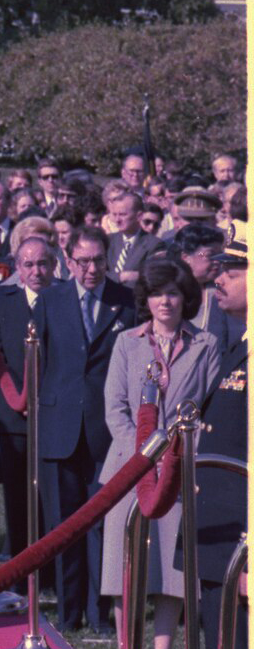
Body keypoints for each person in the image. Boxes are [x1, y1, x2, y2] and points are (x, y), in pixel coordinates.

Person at [100, 257, 219, 649]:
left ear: (186, 297)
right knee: (124, 569)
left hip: (179, 471)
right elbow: (115, 407)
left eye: (171, 293)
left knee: (172, 570)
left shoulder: (207, 345)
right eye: (155, 294)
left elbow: (208, 407)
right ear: (145, 299)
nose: (164, 302)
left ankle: (162, 645)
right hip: (127, 469)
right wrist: (142, 453)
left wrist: (173, 454)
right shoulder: (126, 342)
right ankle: (126, 642)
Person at [33, 225, 138, 632]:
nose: (91, 268)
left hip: (105, 429)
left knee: (102, 524)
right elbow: (37, 358)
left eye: (98, 260)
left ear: (107, 259)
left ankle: (100, 613)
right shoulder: (50, 299)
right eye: (83, 260)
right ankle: (67, 612)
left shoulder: (125, 302)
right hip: (59, 426)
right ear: (68, 260)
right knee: (63, 525)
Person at [185, 233, 246, 649]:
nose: (219, 279)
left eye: (234, 271)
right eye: (219, 269)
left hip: (240, 544)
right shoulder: (237, 346)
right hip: (216, 534)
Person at [0, 237, 57, 579]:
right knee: (16, 497)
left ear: (54, 266)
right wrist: (20, 398)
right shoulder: (2, 298)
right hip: (13, 413)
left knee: (50, 494)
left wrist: (43, 400)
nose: (36, 271)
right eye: (28, 264)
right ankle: (18, 572)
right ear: (18, 268)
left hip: (53, 413)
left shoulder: (62, 299)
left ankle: (52, 571)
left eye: (43, 263)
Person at [106, 192, 161, 287]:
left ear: (139, 216)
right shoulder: (107, 240)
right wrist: (121, 276)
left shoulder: (154, 245)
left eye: (122, 215)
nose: (117, 220)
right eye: (115, 215)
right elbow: (98, 274)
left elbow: (150, 278)